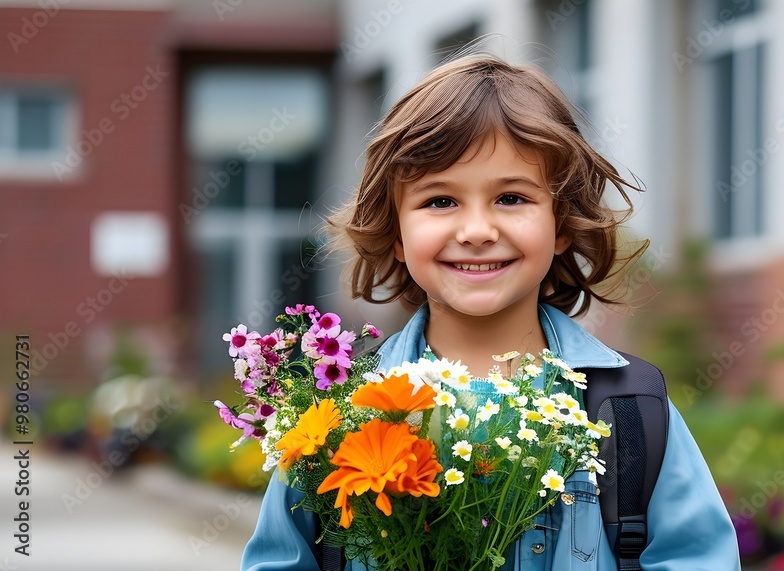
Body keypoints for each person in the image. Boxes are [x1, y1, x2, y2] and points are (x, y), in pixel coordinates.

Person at [242, 51, 740, 570]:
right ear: (395, 231)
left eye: (510, 198)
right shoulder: (341, 410)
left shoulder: (630, 410)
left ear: (562, 222)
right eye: (440, 201)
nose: (477, 230)